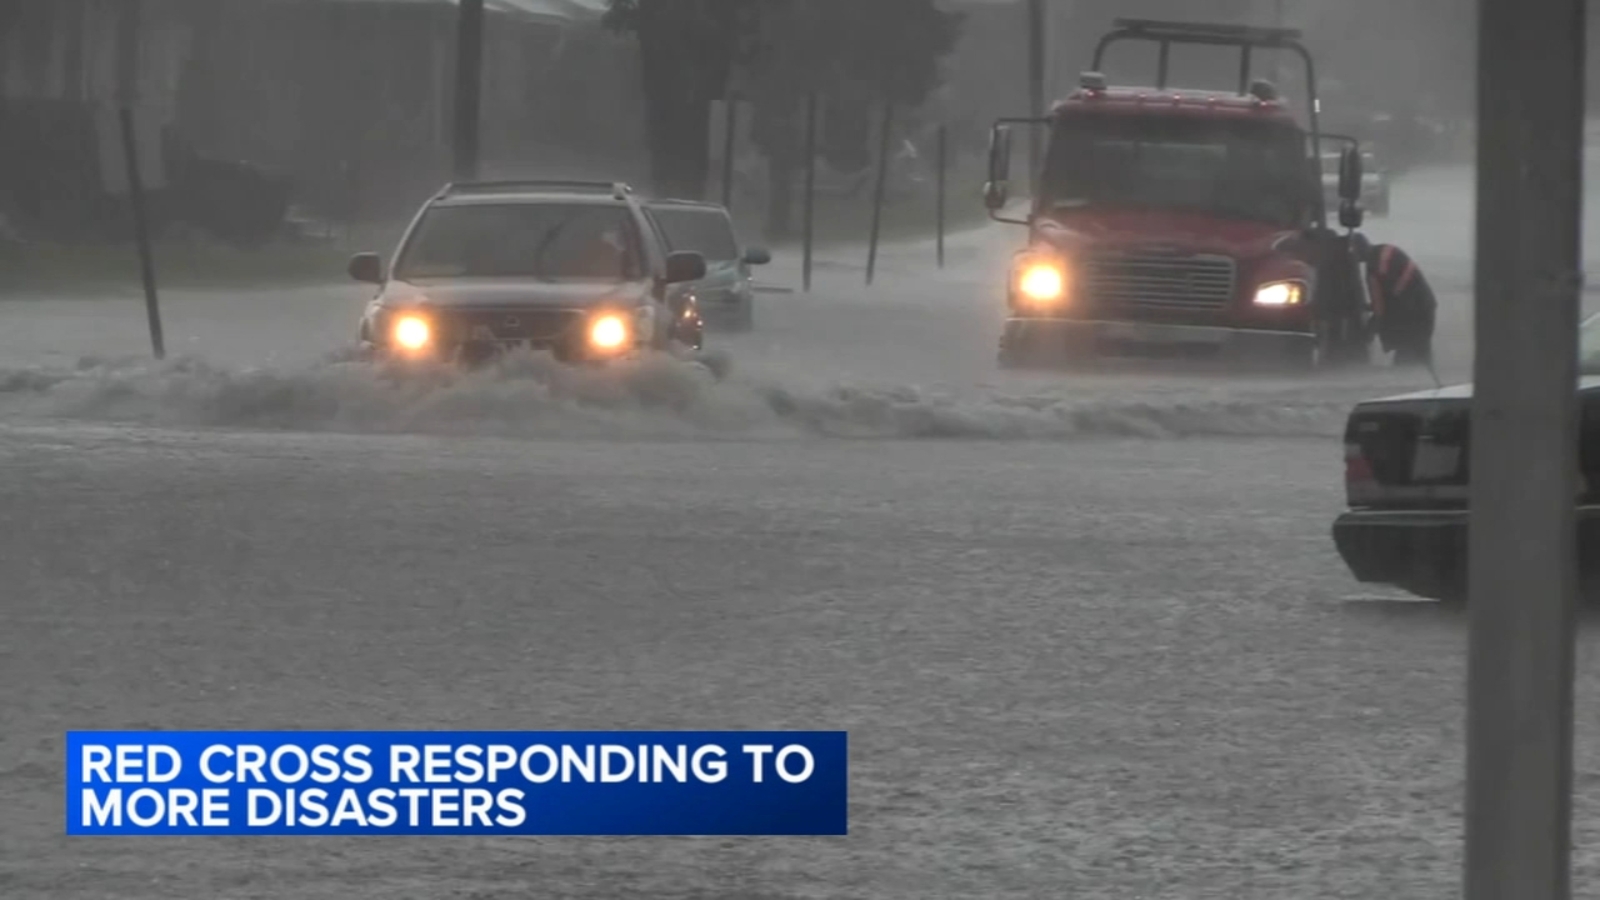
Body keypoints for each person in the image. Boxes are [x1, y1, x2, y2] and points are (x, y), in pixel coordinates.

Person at [1351, 232, 1437, 366]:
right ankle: (1431, 376)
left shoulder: (1373, 269)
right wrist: (1371, 308)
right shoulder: (1385, 249)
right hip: (1426, 304)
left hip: (1413, 314)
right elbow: (1393, 292)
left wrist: (1368, 333)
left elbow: (1380, 310)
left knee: (1405, 360)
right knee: (1421, 356)